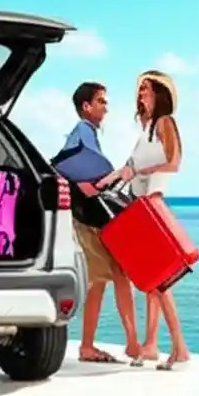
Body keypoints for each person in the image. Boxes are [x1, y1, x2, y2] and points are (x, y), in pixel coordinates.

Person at [98, 70, 190, 370]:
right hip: (139, 206)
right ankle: (152, 345)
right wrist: (105, 181)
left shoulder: (165, 123)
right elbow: (128, 168)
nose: (141, 93)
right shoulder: (146, 129)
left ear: (160, 93)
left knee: (158, 279)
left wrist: (140, 172)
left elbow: (174, 163)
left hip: (153, 205)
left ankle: (180, 348)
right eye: (139, 88)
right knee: (153, 281)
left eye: (146, 88)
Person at [56, 81, 141, 363]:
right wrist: (119, 174)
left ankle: (88, 346)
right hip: (88, 219)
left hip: (84, 217)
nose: (106, 107)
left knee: (99, 281)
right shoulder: (83, 131)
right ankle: (132, 343)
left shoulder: (83, 134)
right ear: (86, 106)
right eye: (101, 101)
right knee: (119, 274)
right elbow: (88, 183)